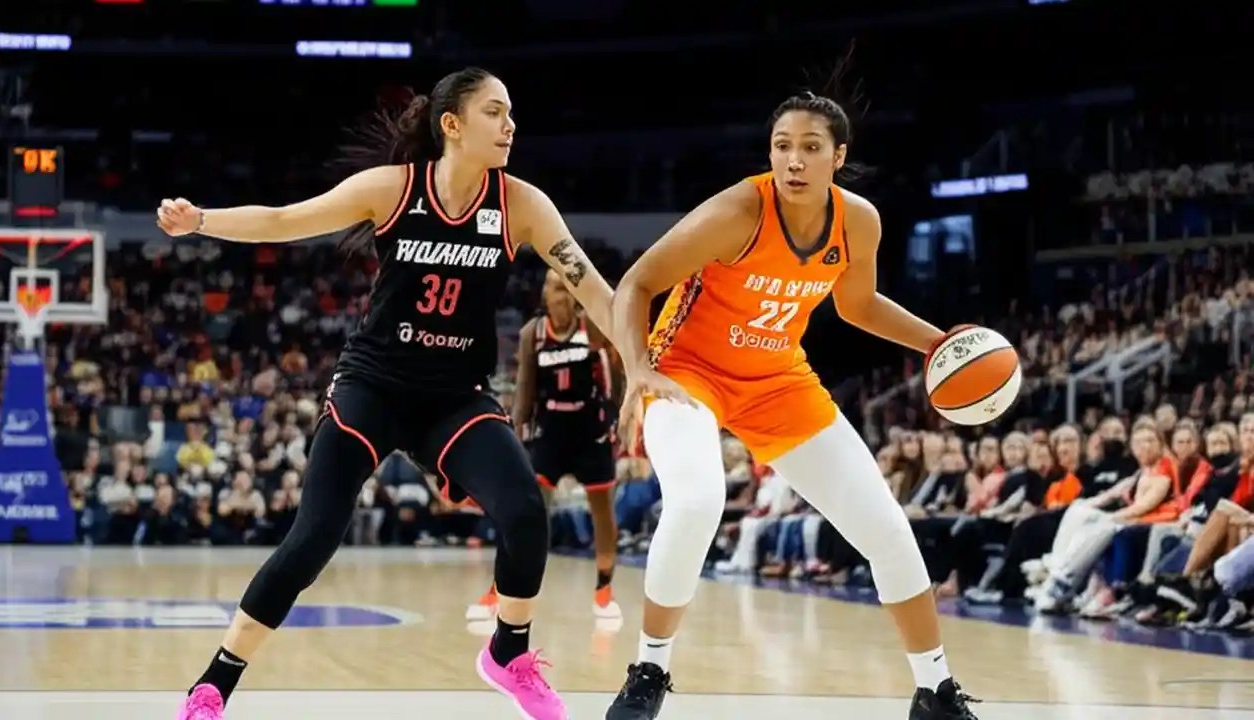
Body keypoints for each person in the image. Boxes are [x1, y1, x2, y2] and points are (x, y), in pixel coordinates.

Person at [157, 67, 615, 720]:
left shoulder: (524, 205)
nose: (510, 124)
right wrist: (201, 219)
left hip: (455, 396)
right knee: (312, 539)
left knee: (524, 514)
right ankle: (213, 685)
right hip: (372, 387)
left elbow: (594, 288)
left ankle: (508, 653)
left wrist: (646, 354)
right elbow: (287, 220)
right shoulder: (394, 190)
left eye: (511, 112)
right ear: (451, 125)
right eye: (495, 111)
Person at [604, 86, 980, 719]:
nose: (794, 161)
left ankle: (935, 691)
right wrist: (637, 371)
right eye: (782, 147)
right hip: (687, 373)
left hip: (777, 379)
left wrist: (938, 343)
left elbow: (856, 305)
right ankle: (648, 671)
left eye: (810, 148)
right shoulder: (737, 212)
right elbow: (638, 281)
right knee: (698, 501)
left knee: (885, 528)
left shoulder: (857, 220)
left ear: (838, 156)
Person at [468, 269, 624, 623]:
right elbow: (524, 390)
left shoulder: (593, 327)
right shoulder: (532, 334)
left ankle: (604, 591)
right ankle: (499, 590)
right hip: (551, 432)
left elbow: (617, 373)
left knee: (603, 514)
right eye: (554, 287)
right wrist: (514, 430)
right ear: (544, 295)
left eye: (567, 287)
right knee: (526, 513)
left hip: (591, 430)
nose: (561, 294)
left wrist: (618, 416)